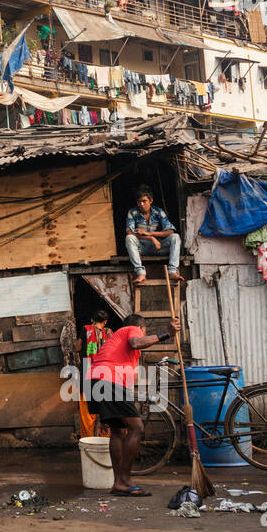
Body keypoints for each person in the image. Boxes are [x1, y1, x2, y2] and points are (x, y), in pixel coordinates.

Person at [85, 313, 180, 496]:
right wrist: (166, 333)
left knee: (118, 431)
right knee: (136, 427)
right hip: (106, 380)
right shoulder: (132, 329)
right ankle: (125, 480)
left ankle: (118, 483)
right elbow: (136, 342)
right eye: (145, 332)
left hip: (95, 380)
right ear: (141, 328)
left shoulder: (116, 341)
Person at [125, 186, 181, 285]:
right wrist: (150, 238)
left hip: (158, 246)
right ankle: (141, 273)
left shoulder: (158, 212)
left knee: (175, 237)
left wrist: (150, 233)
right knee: (129, 238)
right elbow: (130, 232)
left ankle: (172, 271)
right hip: (141, 248)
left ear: (151, 201)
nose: (141, 204)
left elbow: (170, 231)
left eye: (144, 201)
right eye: (139, 202)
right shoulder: (132, 212)